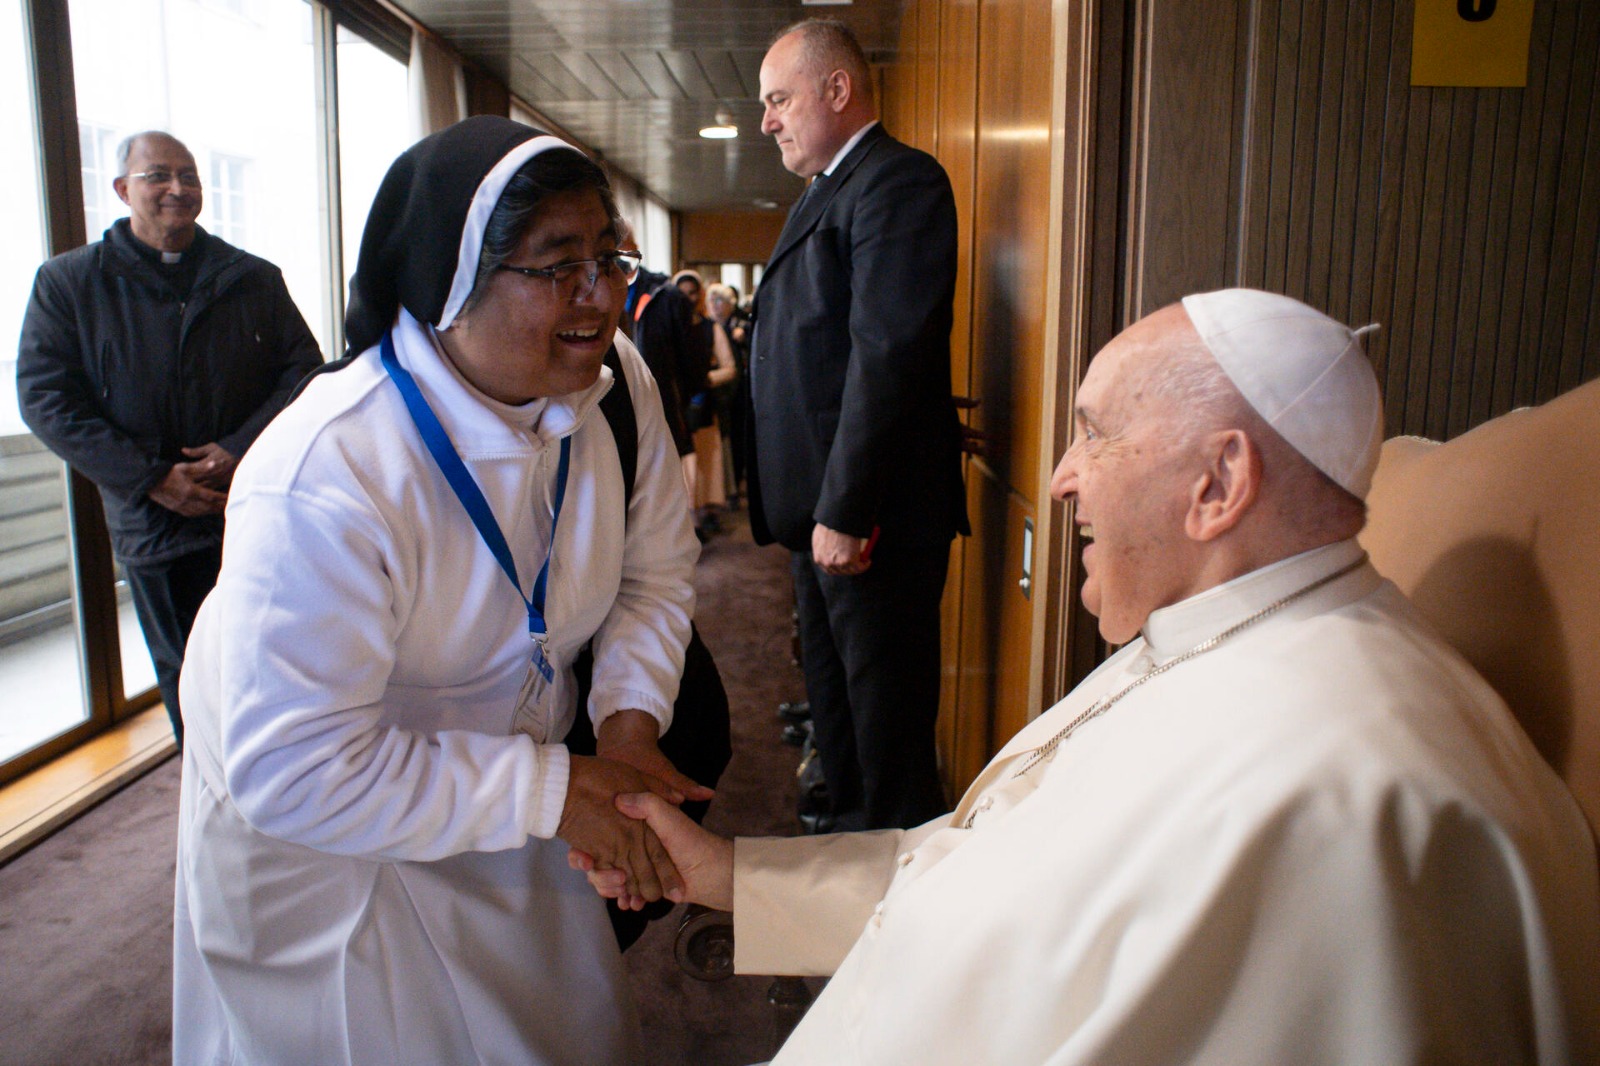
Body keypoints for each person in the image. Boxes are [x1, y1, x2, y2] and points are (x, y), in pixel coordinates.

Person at [582, 291, 1600, 1064]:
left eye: (1094, 430)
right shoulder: (1239, 639)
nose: (1062, 474)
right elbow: (992, 886)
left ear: (1219, 484)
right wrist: (732, 881)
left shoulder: (1334, 797)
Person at [171, 117, 708, 1065]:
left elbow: (654, 574)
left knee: (556, 1021)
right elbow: (297, 771)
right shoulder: (328, 473)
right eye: (557, 266)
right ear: (451, 283)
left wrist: (627, 733)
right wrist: (561, 788)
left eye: (609, 257)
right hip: (331, 852)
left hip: (523, 798)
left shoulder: (615, 386)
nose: (601, 296)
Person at [16, 130, 322, 746]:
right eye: (158, 176)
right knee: (187, 674)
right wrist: (154, 477)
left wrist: (237, 446)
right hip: (152, 519)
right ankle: (208, 806)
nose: (177, 189)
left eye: (188, 176)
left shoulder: (253, 279)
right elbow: (44, 396)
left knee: (270, 660)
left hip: (249, 501)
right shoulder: (69, 283)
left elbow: (306, 371)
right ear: (124, 189)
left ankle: (283, 792)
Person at [748, 18, 969, 831]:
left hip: (869, 521)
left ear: (837, 90)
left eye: (778, 99)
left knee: (887, 739)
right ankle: (845, 878)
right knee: (838, 713)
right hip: (823, 519)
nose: (766, 120)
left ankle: (899, 921)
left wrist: (844, 511)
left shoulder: (897, 183)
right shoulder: (827, 191)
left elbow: (888, 354)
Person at [674, 270, 736, 536]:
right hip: (678, 408)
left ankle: (707, 513)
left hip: (704, 406)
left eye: (693, 292)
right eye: (682, 293)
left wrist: (705, 379)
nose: (688, 298)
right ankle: (689, 521)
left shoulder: (711, 328)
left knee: (708, 462)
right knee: (685, 467)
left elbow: (730, 368)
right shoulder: (670, 328)